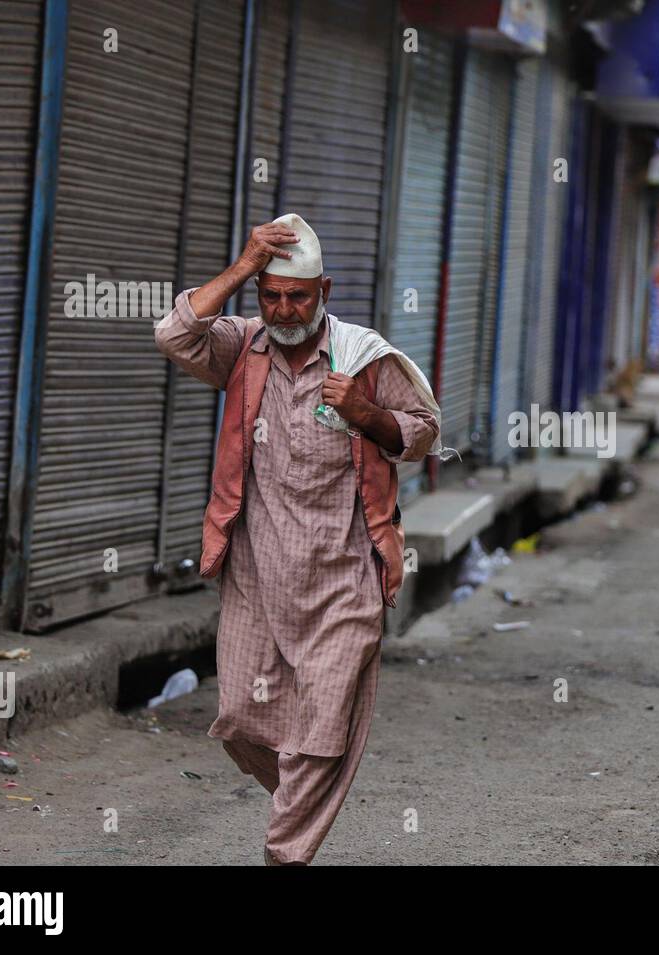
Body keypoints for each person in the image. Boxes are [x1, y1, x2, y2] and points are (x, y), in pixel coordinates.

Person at [155, 214, 439, 864]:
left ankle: (287, 851)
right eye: (272, 294)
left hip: (344, 582)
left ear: (325, 290)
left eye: (298, 296)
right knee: (238, 720)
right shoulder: (241, 348)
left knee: (317, 733)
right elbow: (173, 333)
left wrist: (365, 415)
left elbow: (425, 430)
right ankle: (306, 797)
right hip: (256, 578)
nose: (284, 309)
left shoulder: (364, 357)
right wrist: (243, 264)